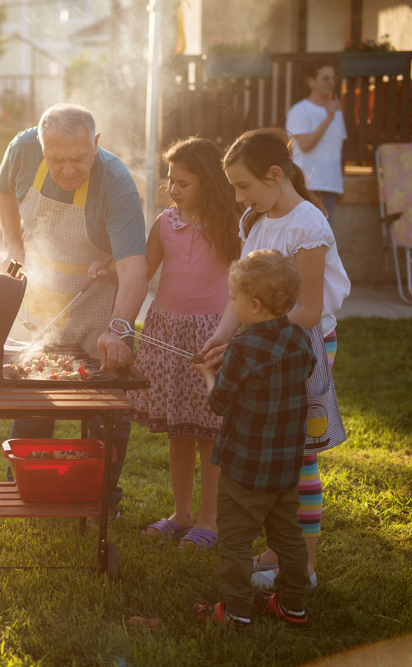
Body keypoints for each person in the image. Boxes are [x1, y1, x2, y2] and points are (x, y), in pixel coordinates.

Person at [204, 127, 350, 590]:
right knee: (270, 448)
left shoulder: (308, 225)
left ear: (274, 174)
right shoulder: (259, 222)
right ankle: (276, 551)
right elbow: (241, 295)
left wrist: (250, 344)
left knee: (299, 457)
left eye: (244, 185)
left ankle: (303, 566)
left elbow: (306, 311)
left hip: (303, 348)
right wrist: (220, 338)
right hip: (268, 344)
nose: (239, 196)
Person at [0, 102, 148, 511]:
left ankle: (101, 495)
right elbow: (3, 188)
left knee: (103, 404)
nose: (66, 169)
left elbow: (135, 266)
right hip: (40, 293)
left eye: (78, 159)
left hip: (96, 300)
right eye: (55, 158)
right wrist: (13, 242)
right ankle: (24, 485)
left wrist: (119, 329)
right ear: (41, 146)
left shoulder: (116, 184)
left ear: (95, 144)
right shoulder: (23, 149)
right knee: (32, 396)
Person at [193, 249, 316, 627]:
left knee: (234, 539)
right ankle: (293, 604)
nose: (231, 304)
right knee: (288, 537)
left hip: (244, 466)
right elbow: (307, 368)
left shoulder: (243, 348)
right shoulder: (299, 337)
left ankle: (235, 611)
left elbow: (219, 404)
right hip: (285, 466)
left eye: (234, 299)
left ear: (256, 305)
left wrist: (207, 374)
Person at [130, 138, 243, 550]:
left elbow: (242, 284)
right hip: (167, 332)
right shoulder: (165, 223)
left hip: (210, 336)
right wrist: (111, 273)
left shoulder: (232, 226)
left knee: (209, 429)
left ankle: (210, 520)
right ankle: (181, 513)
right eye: (171, 181)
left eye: (184, 183)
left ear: (209, 183)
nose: (174, 190)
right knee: (178, 427)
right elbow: (141, 271)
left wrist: (229, 335)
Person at [286, 60, 346, 222]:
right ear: (311, 81)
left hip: (330, 185)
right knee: (307, 234)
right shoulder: (300, 110)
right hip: (308, 185)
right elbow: (305, 146)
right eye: (326, 78)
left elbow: (335, 151)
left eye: (333, 78)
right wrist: (328, 119)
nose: (331, 82)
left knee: (325, 236)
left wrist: (339, 184)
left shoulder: (336, 112)